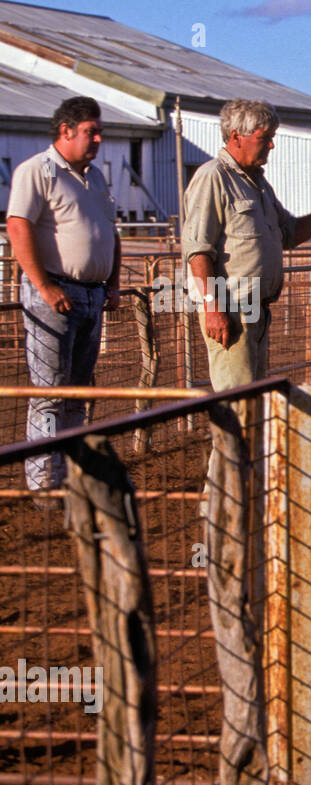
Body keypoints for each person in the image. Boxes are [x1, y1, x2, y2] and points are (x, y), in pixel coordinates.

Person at [181, 99, 311, 392]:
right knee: (236, 403)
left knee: (252, 401)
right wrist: (213, 307)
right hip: (230, 310)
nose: (271, 146)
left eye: (271, 138)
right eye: (264, 138)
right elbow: (198, 250)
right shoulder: (213, 177)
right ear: (236, 138)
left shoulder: (257, 185)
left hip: (255, 310)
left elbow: (290, 233)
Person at [6, 96, 120, 501]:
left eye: (98, 131)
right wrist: (43, 285)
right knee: (50, 392)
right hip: (55, 294)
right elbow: (18, 226)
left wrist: (113, 281)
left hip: (91, 295)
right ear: (65, 131)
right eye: (91, 131)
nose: (98, 139)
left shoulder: (96, 177)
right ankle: (44, 484)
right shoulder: (38, 171)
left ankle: (74, 475)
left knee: (78, 390)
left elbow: (110, 231)